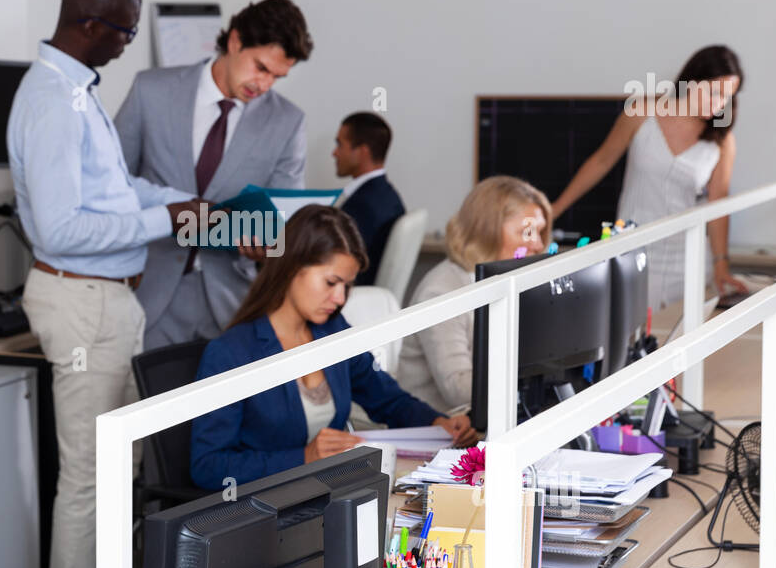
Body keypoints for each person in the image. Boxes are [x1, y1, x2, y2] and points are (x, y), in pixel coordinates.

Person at [6, 0, 205, 568]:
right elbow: (63, 227)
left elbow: (114, 192)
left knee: (124, 469)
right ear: (89, 25)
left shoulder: (78, 92)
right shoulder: (51, 101)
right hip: (83, 299)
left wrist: (182, 202)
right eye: (123, 32)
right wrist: (164, 222)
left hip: (111, 299)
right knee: (90, 478)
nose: (127, 45)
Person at [189, 205, 477, 490]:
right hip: (263, 515)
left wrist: (437, 422)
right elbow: (208, 466)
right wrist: (302, 458)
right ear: (292, 267)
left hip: (330, 498)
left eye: (347, 286)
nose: (340, 298)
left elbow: (386, 398)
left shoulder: (333, 330)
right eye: (331, 282)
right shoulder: (231, 352)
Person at [116, 0, 312, 350]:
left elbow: (285, 222)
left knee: (226, 407)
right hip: (148, 291)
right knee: (145, 403)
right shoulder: (151, 91)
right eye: (261, 67)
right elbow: (112, 185)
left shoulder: (288, 121)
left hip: (232, 301)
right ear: (235, 41)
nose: (264, 84)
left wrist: (269, 246)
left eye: (277, 77)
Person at [550, 45, 748, 310]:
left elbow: (718, 205)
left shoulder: (722, 140)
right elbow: (601, 162)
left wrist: (721, 265)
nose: (720, 104)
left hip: (687, 262)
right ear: (692, 81)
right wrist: (552, 211)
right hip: (632, 251)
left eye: (727, 98)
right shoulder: (641, 113)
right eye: (715, 93)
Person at [398, 176, 552, 419]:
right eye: (527, 232)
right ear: (487, 231)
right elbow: (459, 390)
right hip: (441, 433)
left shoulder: (510, 284)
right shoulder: (441, 291)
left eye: (540, 231)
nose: (538, 244)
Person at [332, 111, 405, 285]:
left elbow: (336, 266)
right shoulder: (388, 196)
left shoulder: (361, 206)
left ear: (362, 152)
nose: (334, 153)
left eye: (340, 145)